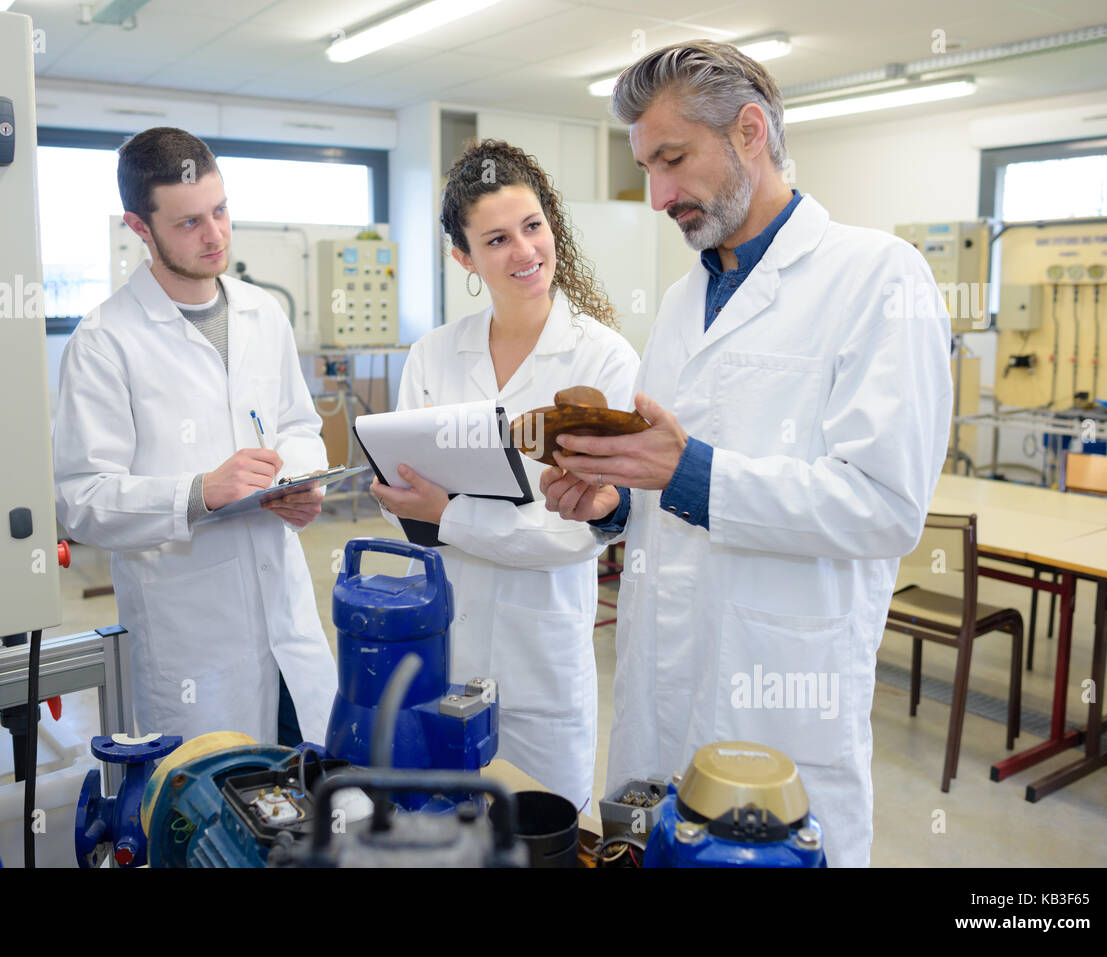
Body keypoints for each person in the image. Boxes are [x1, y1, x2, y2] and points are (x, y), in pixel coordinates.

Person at [541, 41, 953, 865]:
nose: (657, 195)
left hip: (783, 688)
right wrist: (617, 499)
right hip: (665, 682)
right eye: (646, 167)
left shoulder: (879, 278)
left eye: (672, 160)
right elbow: (669, 477)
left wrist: (685, 473)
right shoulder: (683, 296)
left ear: (751, 132)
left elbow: (885, 506)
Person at [371, 140, 639, 812]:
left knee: (544, 830)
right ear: (464, 257)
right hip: (446, 643)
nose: (524, 252)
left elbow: (577, 533)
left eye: (533, 226)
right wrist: (427, 510)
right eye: (496, 239)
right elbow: (400, 501)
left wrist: (450, 514)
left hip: (543, 658)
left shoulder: (603, 358)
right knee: (449, 830)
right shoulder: (434, 354)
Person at [52, 127, 337, 746]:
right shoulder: (105, 341)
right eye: (187, 223)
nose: (214, 236)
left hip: (287, 614)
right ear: (139, 227)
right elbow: (79, 497)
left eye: (221, 210)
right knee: (210, 816)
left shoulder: (265, 313)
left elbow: (297, 425)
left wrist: (300, 481)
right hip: (191, 640)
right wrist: (198, 493)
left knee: (309, 789)